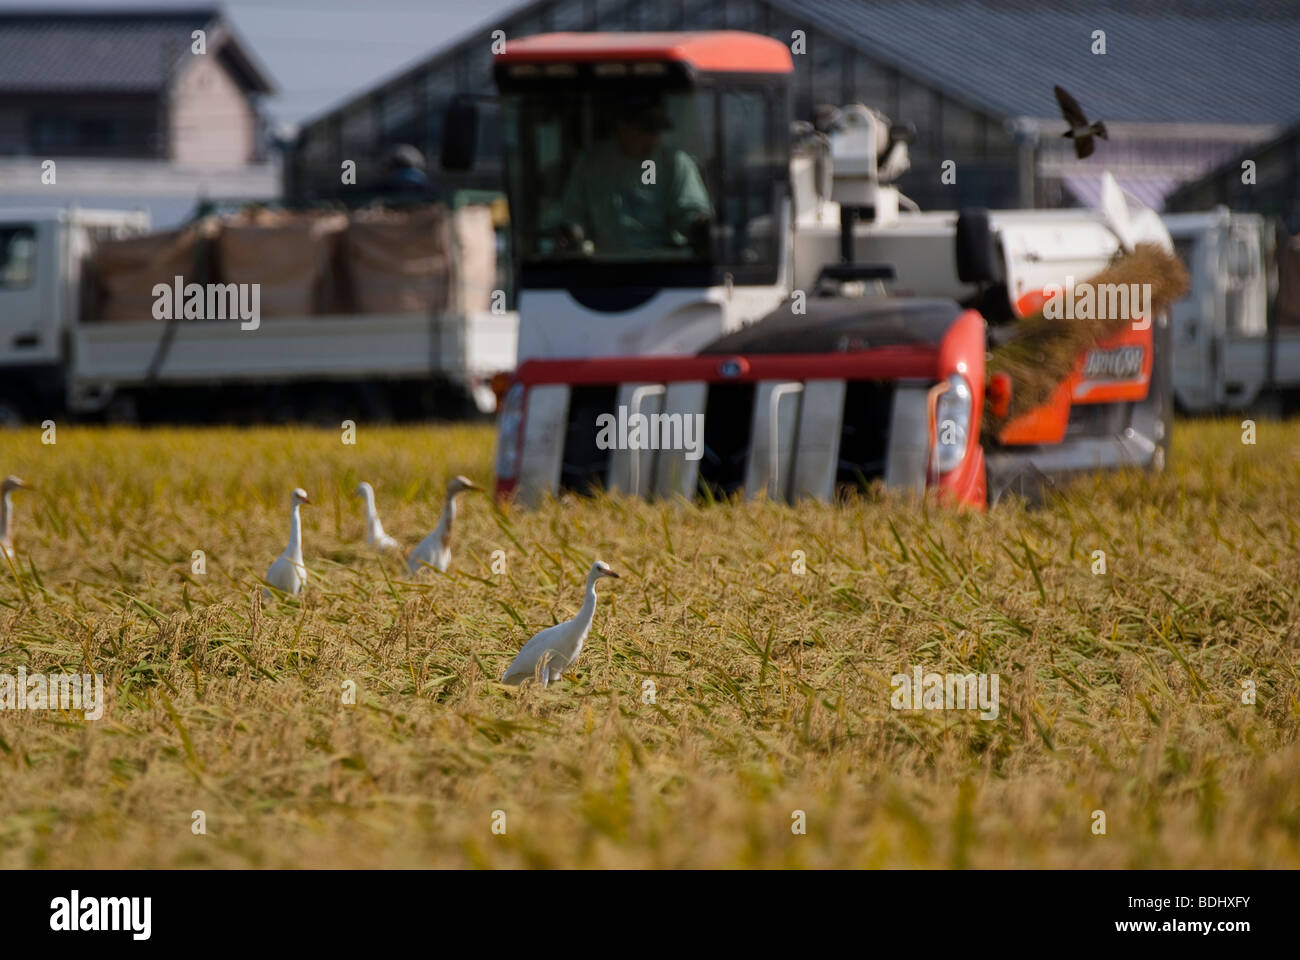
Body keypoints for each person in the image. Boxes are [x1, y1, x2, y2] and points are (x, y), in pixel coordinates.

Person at [555, 94, 711, 256]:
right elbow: (574, 217)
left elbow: (690, 212)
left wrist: (698, 225)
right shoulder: (591, 165)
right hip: (607, 267)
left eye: (656, 130)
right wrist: (571, 234)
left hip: (666, 264)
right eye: (644, 129)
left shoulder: (675, 164)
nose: (652, 139)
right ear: (622, 127)